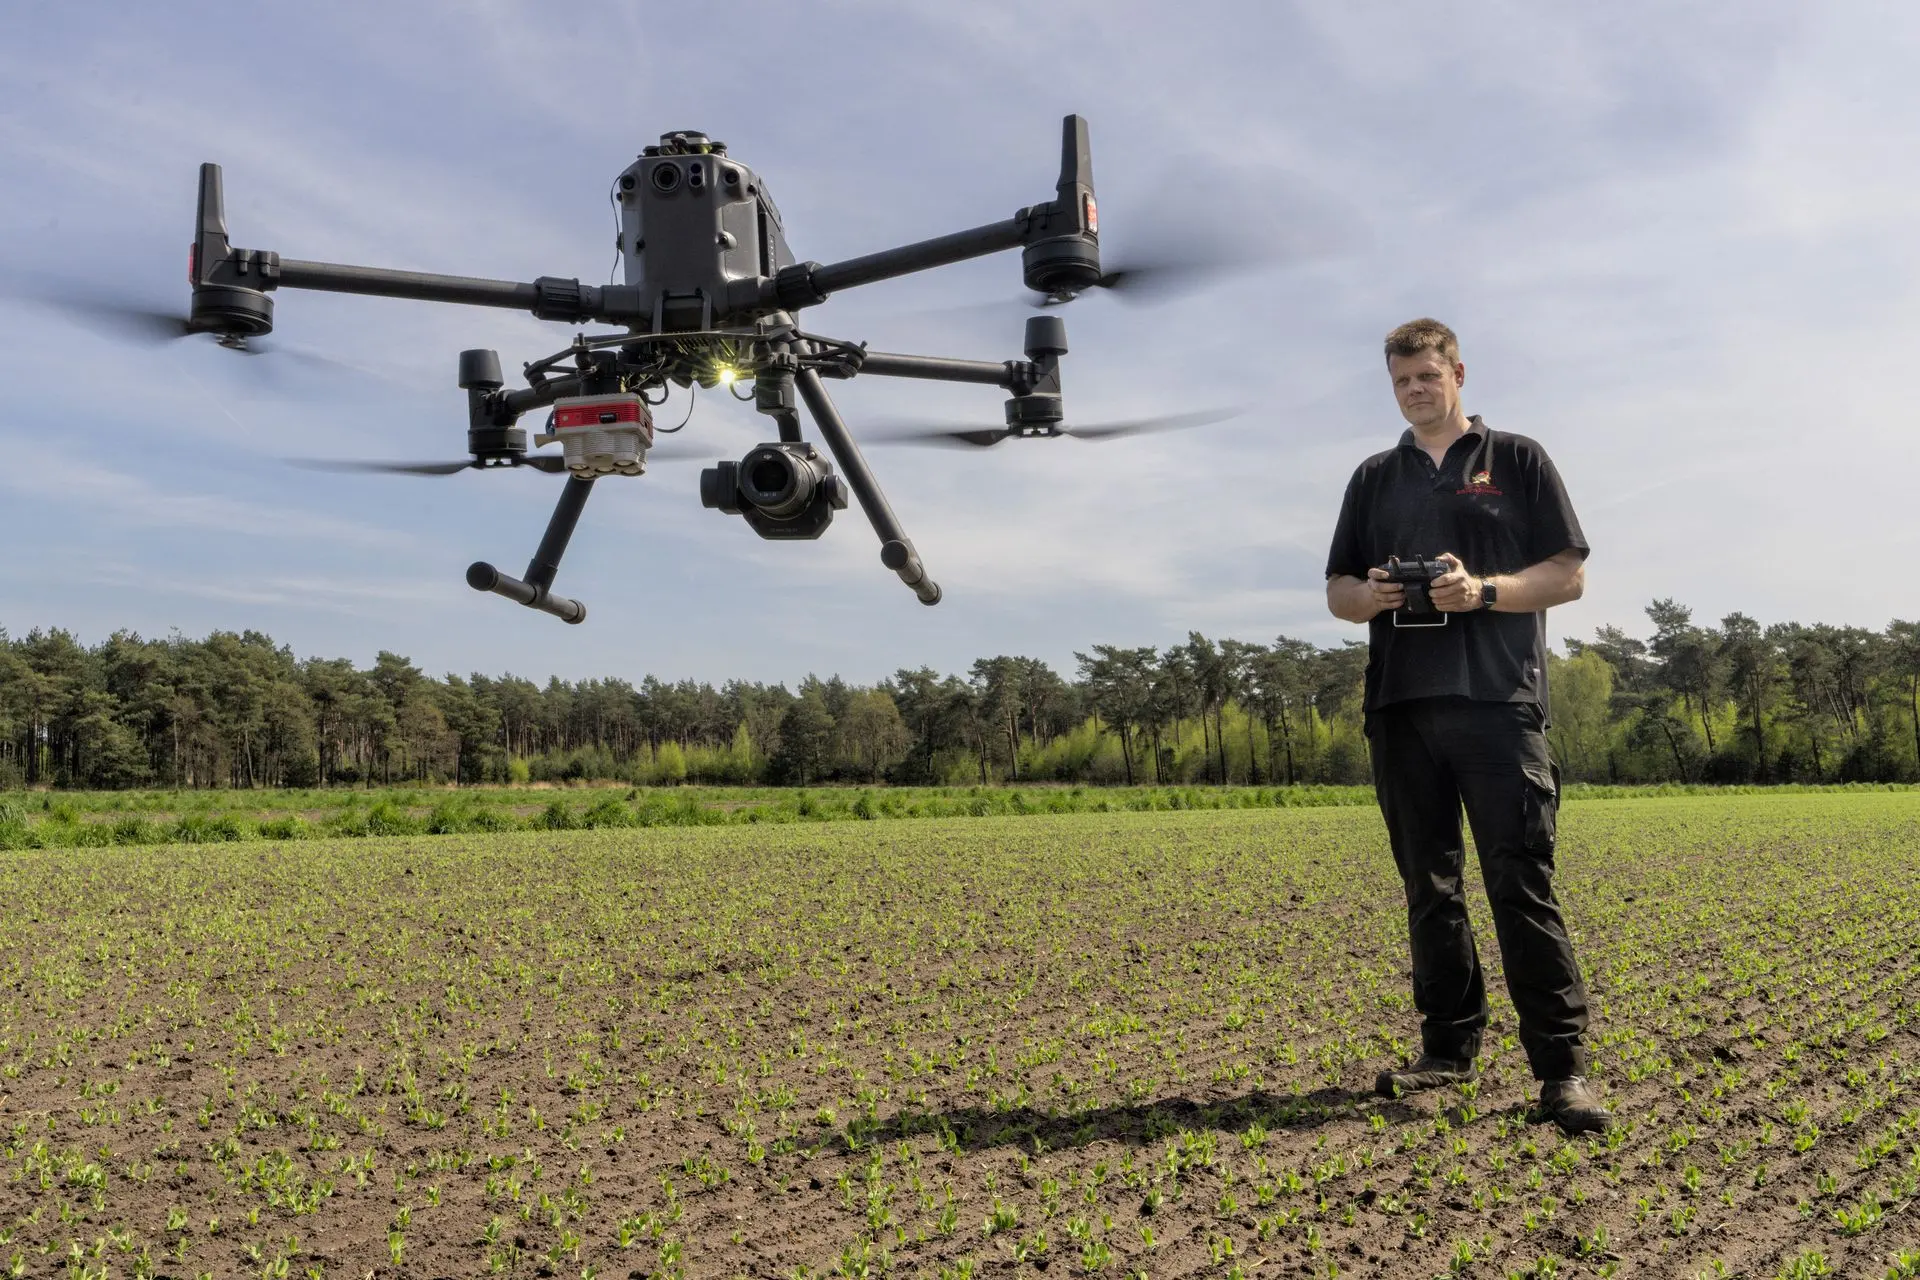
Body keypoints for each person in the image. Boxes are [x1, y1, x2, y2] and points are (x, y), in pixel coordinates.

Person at [1323, 318, 1609, 1134]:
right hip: (1402, 709)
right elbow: (1337, 591)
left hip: (1497, 704)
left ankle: (1563, 1071)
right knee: (1430, 887)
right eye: (1402, 379)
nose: (1416, 389)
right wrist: (1373, 595)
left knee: (1519, 883)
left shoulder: (1517, 459)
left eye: (1428, 375)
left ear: (1458, 374)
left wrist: (1480, 591)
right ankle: (1447, 1051)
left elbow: (1570, 575)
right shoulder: (1374, 477)